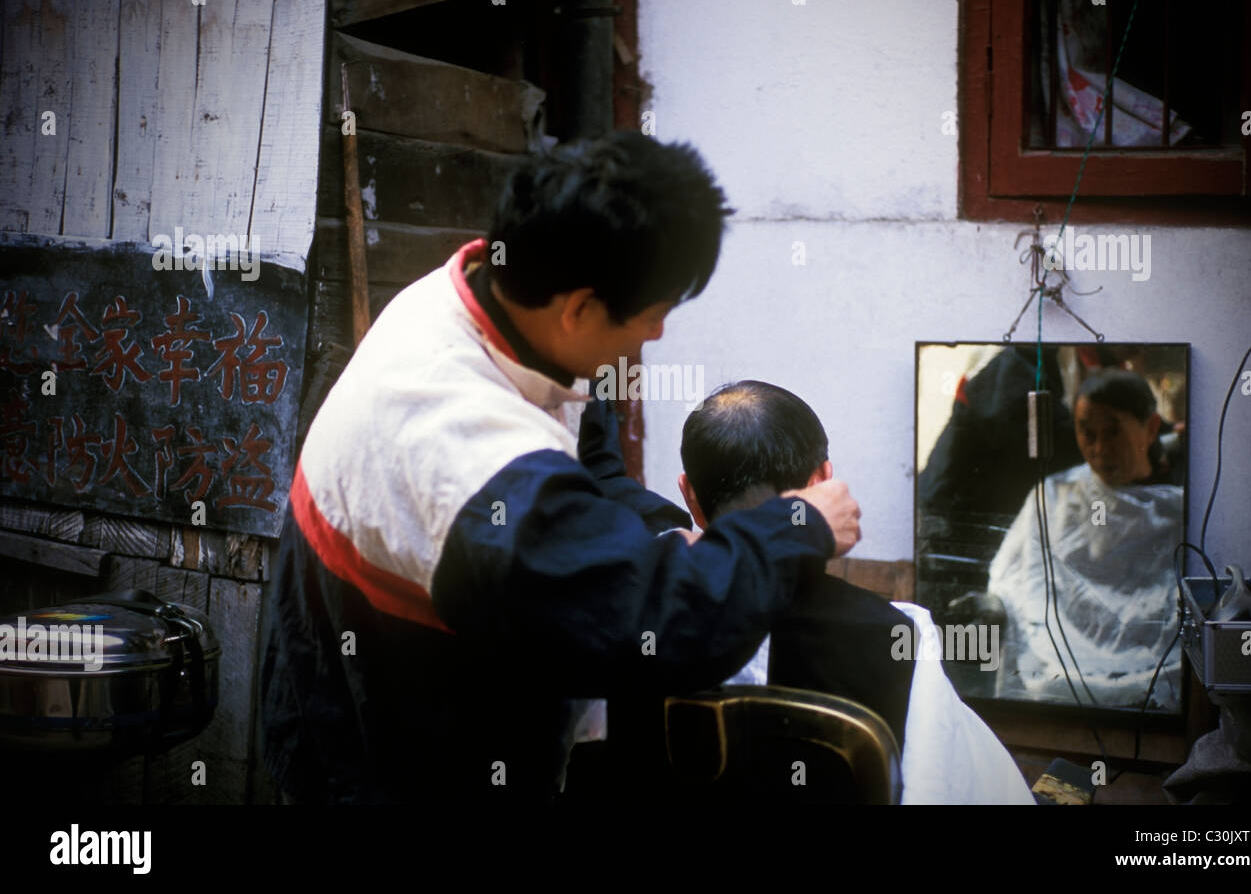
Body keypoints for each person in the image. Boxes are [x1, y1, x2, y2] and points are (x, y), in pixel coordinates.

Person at [257, 132, 863, 803]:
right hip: (389, 743)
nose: (656, 335)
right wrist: (797, 524)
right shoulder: (464, 448)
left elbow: (590, 462)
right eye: (655, 314)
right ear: (579, 308)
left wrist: (659, 538)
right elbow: (658, 625)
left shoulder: (487, 295)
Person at [669, 380, 1033, 805]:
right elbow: (939, 786)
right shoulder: (897, 637)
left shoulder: (641, 621)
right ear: (823, 481)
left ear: (689, 494)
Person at [987, 368, 1184, 709]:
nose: (1099, 448)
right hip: (1060, 665)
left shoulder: (1178, 505)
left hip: (1155, 667)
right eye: (1086, 432)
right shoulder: (1053, 495)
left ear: (1150, 428)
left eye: (1113, 432)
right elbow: (1022, 579)